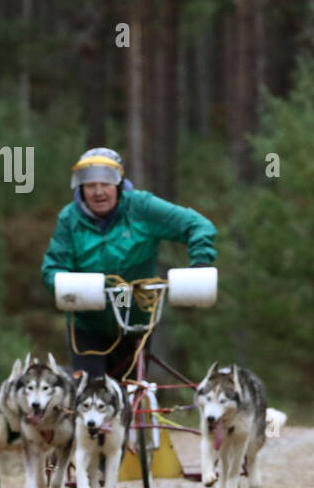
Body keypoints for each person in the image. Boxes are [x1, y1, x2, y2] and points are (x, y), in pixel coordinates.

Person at [41, 147, 217, 379]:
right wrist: (71, 287)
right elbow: (52, 269)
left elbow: (197, 225)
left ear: (120, 184)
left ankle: (138, 411)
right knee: (89, 395)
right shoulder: (69, 218)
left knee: (128, 394)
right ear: (81, 189)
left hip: (132, 314)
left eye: (106, 184)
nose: (99, 192)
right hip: (87, 320)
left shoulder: (141, 207)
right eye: (91, 185)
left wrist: (200, 263)